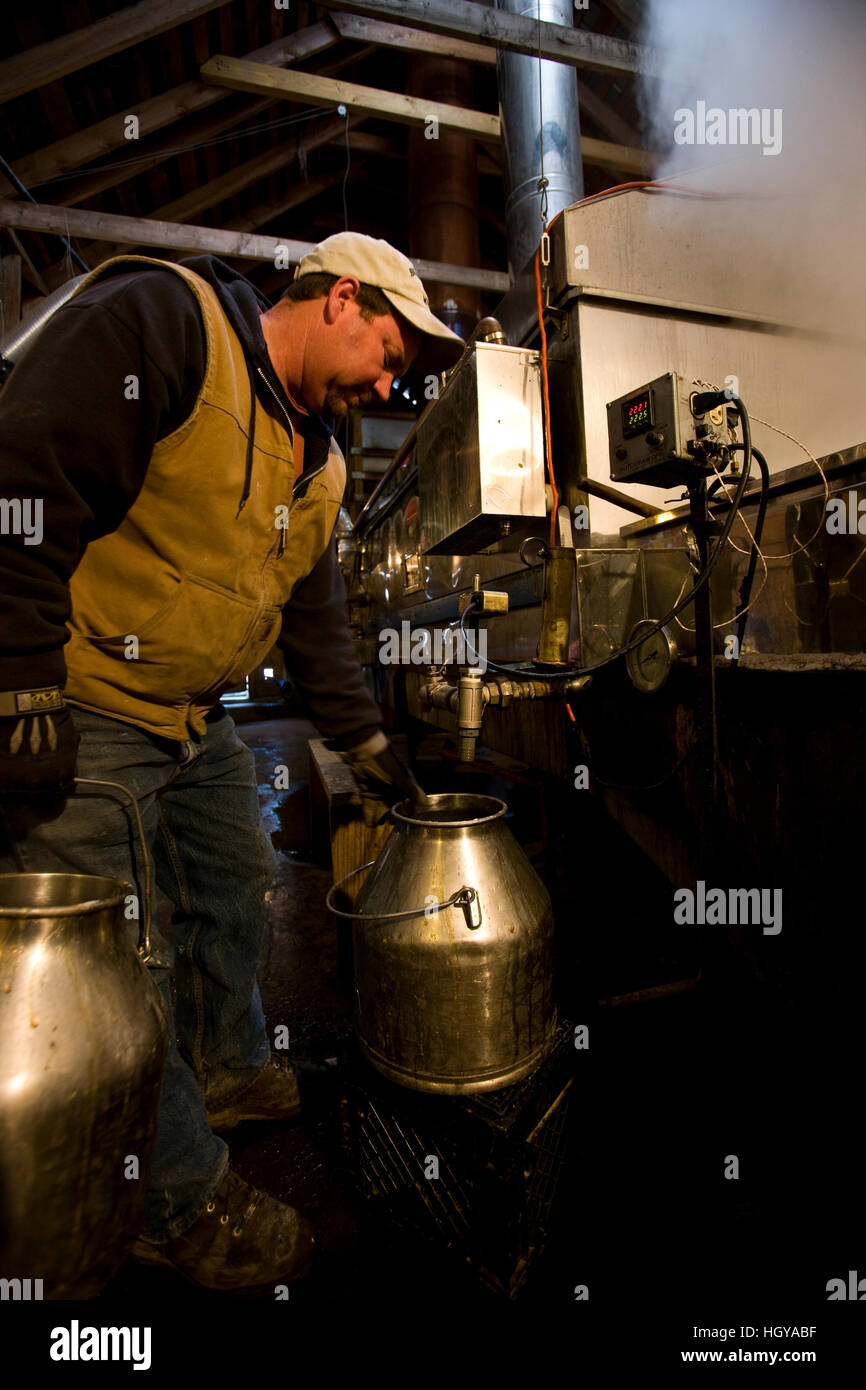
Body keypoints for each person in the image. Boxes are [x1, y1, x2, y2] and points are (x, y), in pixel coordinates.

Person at [0, 231, 463, 1291]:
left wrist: (368, 743)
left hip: (195, 713)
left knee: (235, 887)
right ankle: (170, 1197)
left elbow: (316, 627)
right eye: (390, 354)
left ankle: (227, 1068)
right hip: (83, 695)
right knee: (126, 959)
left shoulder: (325, 467)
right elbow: (23, 471)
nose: (388, 384)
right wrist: (18, 679)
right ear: (340, 297)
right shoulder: (167, 326)